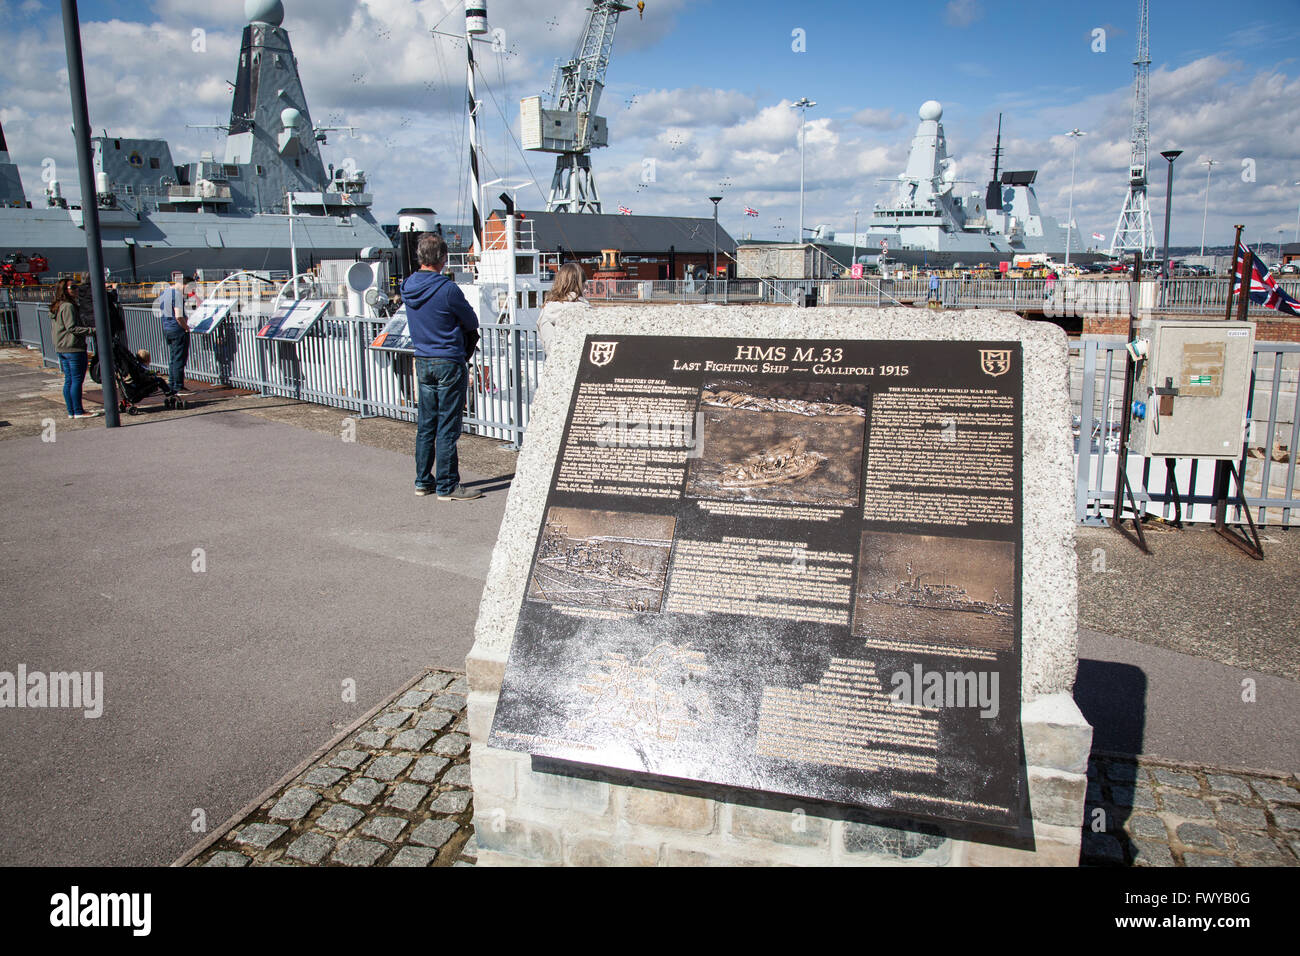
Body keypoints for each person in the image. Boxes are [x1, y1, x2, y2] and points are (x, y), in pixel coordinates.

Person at [402, 233, 482, 501]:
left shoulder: (408, 286)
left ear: (420, 257)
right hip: (448, 360)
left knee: (426, 425)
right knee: (448, 426)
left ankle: (423, 481)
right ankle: (448, 486)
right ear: (443, 258)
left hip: (422, 360)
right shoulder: (447, 289)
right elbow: (471, 321)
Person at [49, 279, 101, 419]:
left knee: (69, 380)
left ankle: (71, 411)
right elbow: (72, 328)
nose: (76, 289)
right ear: (66, 290)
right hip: (73, 348)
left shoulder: (58, 306)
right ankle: (78, 411)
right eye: (73, 287)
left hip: (62, 348)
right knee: (77, 380)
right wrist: (93, 330)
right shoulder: (68, 306)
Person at [536, 262, 589, 352]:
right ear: (580, 285)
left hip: (554, 362)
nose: (586, 289)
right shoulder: (584, 309)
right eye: (585, 284)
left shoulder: (547, 310)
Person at [154, 274, 191, 394]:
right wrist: (187, 328)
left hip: (167, 328)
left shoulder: (164, 293)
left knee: (172, 358)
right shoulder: (178, 295)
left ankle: (172, 383)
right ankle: (178, 386)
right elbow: (179, 316)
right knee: (179, 358)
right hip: (178, 330)